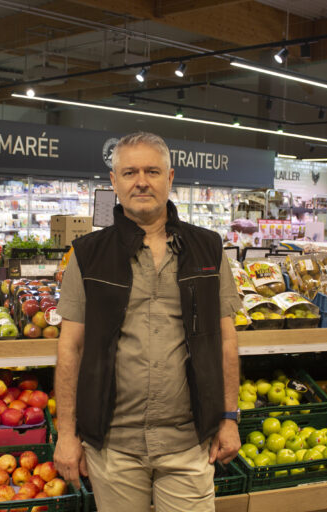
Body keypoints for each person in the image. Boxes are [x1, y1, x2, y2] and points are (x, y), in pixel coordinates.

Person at [53, 131, 242, 511]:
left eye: (152, 171)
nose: (141, 181)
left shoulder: (208, 249)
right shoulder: (87, 255)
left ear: (170, 179)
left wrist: (229, 418)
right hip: (114, 445)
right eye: (130, 172)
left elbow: (225, 340)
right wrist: (67, 434)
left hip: (189, 442)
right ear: (114, 182)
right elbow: (70, 347)